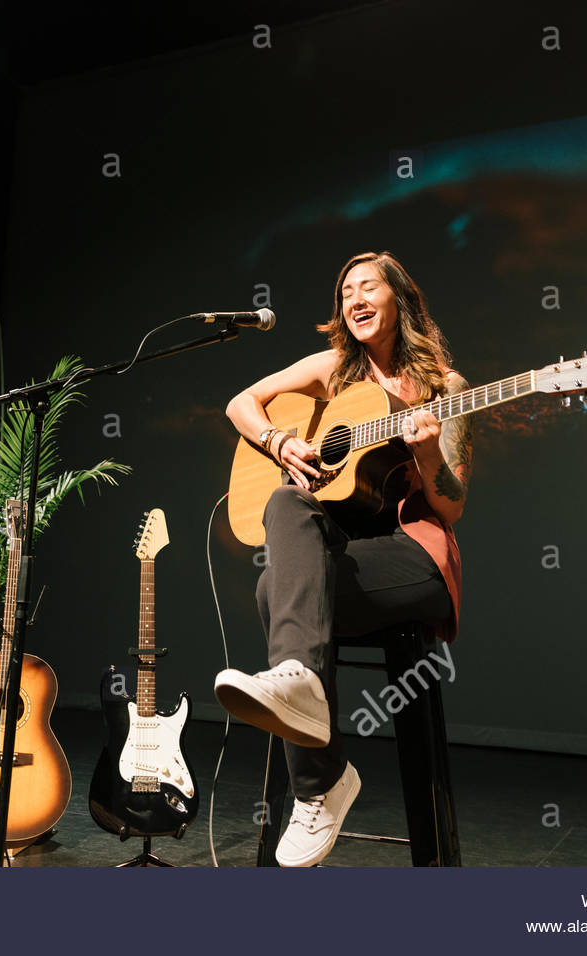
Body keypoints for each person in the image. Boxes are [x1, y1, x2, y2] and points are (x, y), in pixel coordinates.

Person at [215, 250, 471, 867]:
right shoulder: (334, 371)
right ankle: (322, 774)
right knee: (285, 501)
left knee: (273, 594)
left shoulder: (444, 388)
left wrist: (431, 456)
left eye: (369, 287)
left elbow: (453, 504)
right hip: (347, 551)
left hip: (415, 556)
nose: (355, 299)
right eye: (346, 290)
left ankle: (319, 783)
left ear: (399, 300)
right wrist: (279, 441)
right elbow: (240, 403)